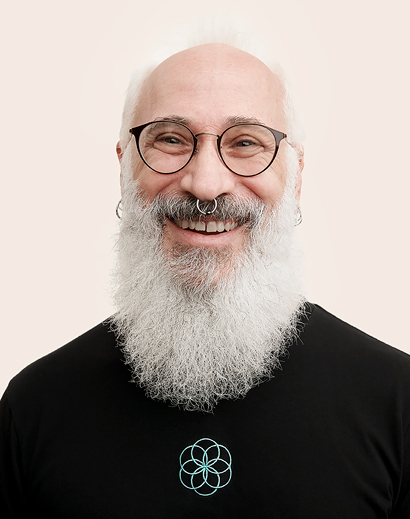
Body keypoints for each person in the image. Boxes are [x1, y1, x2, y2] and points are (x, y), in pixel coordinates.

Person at [1, 31, 409, 518]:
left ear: (295, 175)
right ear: (124, 166)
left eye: (245, 143)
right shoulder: (36, 407)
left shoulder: (397, 402)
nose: (207, 183)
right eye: (171, 139)